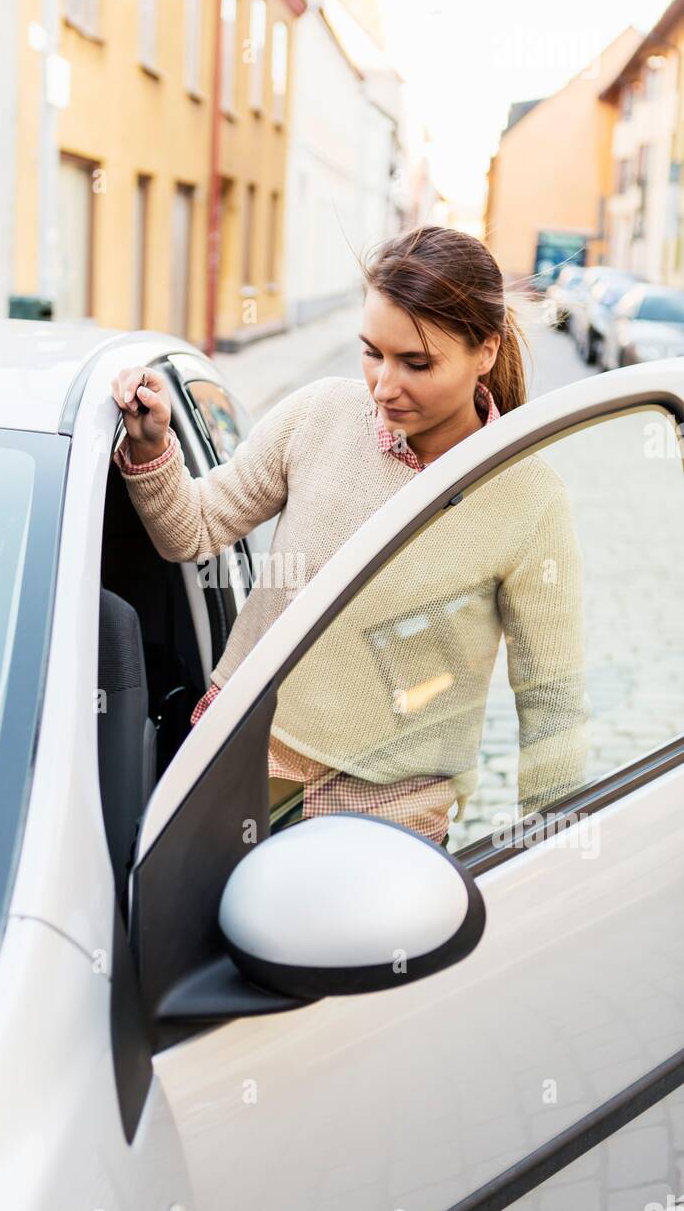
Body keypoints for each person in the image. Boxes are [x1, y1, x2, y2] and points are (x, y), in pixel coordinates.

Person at [111, 225, 589, 845]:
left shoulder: (529, 497)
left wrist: (549, 861)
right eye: (372, 353)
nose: (384, 387)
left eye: (416, 363)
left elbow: (550, 703)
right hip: (242, 756)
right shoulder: (318, 416)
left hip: (392, 812)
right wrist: (152, 446)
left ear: (486, 352)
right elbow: (194, 530)